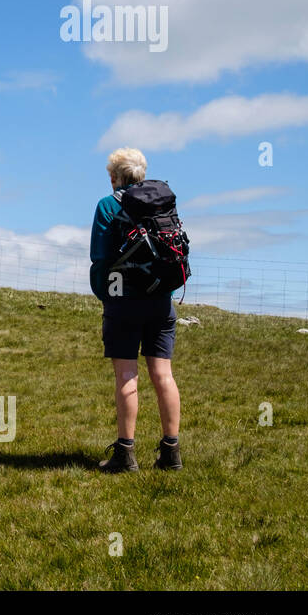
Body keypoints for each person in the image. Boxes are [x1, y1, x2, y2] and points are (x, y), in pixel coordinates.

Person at [90, 148, 182, 473]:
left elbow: (100, 260)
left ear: (114, 176)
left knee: (127, 374)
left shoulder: (107, 206)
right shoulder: (163, 204)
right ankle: (171, 452)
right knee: (163, 375)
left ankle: (125, 454)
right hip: (161, 301)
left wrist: (105, 294)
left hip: (124, 302)